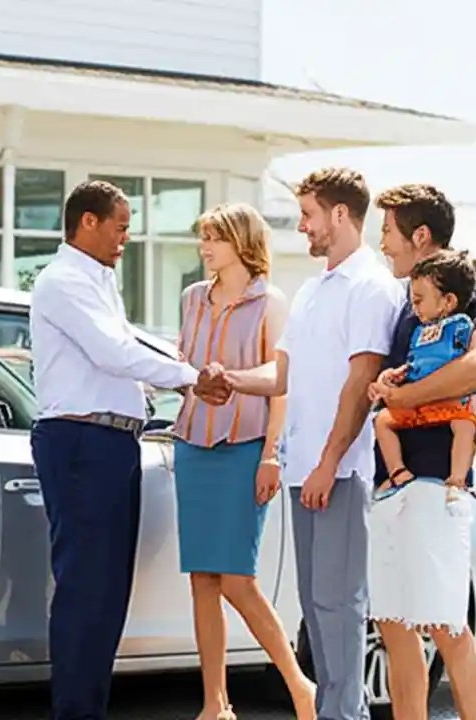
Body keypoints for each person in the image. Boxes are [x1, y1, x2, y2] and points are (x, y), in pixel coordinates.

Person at [29, 179, 229, 720]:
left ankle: (88, 709)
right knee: (85, 590)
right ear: (87, 222)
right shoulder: (62, 282)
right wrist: (189, 376)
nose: (125, 241)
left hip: (111, 444)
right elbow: (113, 351)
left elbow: (130, 340)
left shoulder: (97, 281)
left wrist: (186, 363)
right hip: (81, 444)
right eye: (120, 229)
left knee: (109, 592)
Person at [223, 168, 405, 720]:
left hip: (341, 472)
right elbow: (282, 375)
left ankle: (343, 715)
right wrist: (226, 380)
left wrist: (328, 463)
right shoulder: (312, 288)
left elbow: (361, 384)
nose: (301, 225)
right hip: (306, 470)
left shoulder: (372, 287)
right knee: (316, 609)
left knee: (340, 606)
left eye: (308, 213)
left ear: (341, 215)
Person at [169, 202, 316, 720]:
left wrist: (271, 454)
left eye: (214, 237)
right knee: (202, 580)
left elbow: (280, 384)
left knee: (237, 578)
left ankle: (300, 686)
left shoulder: (270, 302)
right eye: (203, 237)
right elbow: (182, 365)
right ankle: (216, 705)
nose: (204, 246)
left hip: (244, 449)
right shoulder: (191, 298)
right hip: (192, 446)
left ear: (242, 242)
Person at [368, 184, 476, 720]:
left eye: (387, 231)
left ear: (419, 235)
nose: (382, 243)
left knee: (448, 625)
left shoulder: (474, 293)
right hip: (391, 485)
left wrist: (405, 397)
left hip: (437, 485)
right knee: (395, 624)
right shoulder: (407, 307)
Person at [371, 249, 476, 503]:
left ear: (448, 302)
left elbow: (470, 364)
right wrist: (394, 376)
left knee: (465, 425)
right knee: (382, 421)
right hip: (418, 406)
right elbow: (413, 364)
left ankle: (457, 480)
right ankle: (398, 472)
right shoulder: (418, 332)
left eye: (420, 300)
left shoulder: (461, 326)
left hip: (449, 404)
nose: (414, 307)